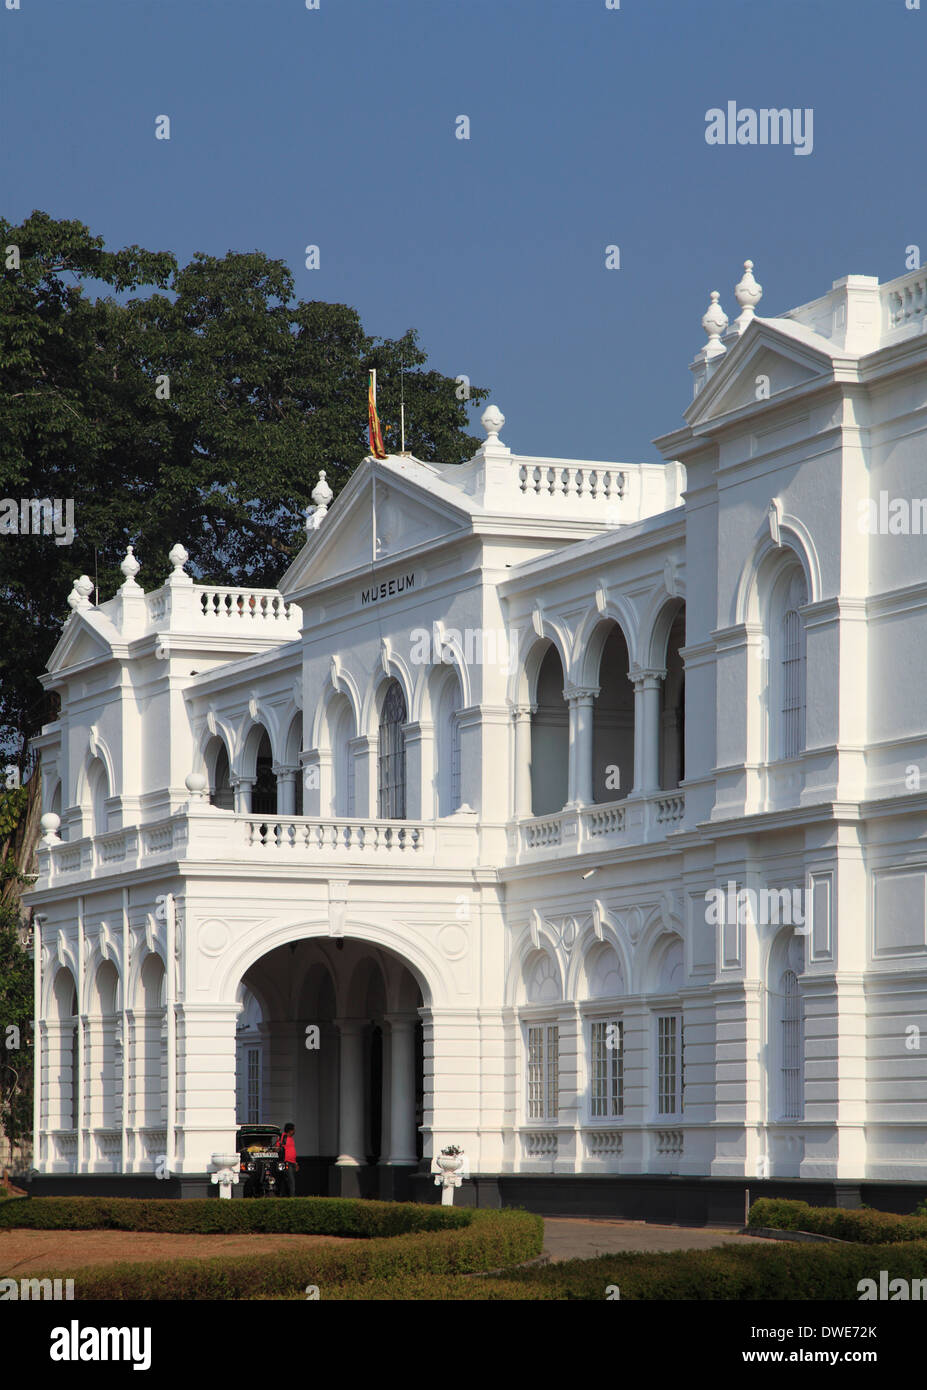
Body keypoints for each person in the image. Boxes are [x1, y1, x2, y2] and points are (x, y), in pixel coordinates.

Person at [277, 1122, 298, 1197]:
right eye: (293, 1129)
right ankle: (292, 1197)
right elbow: (279, 1148)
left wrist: (295, 1163)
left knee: (289, 1181)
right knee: (291, 1181)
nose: (294, 1131)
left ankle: (286, 1195)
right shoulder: (283, 1137)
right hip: (287, 1163)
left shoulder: (291, 1139)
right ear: (290, 1130)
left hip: (292, 1162)